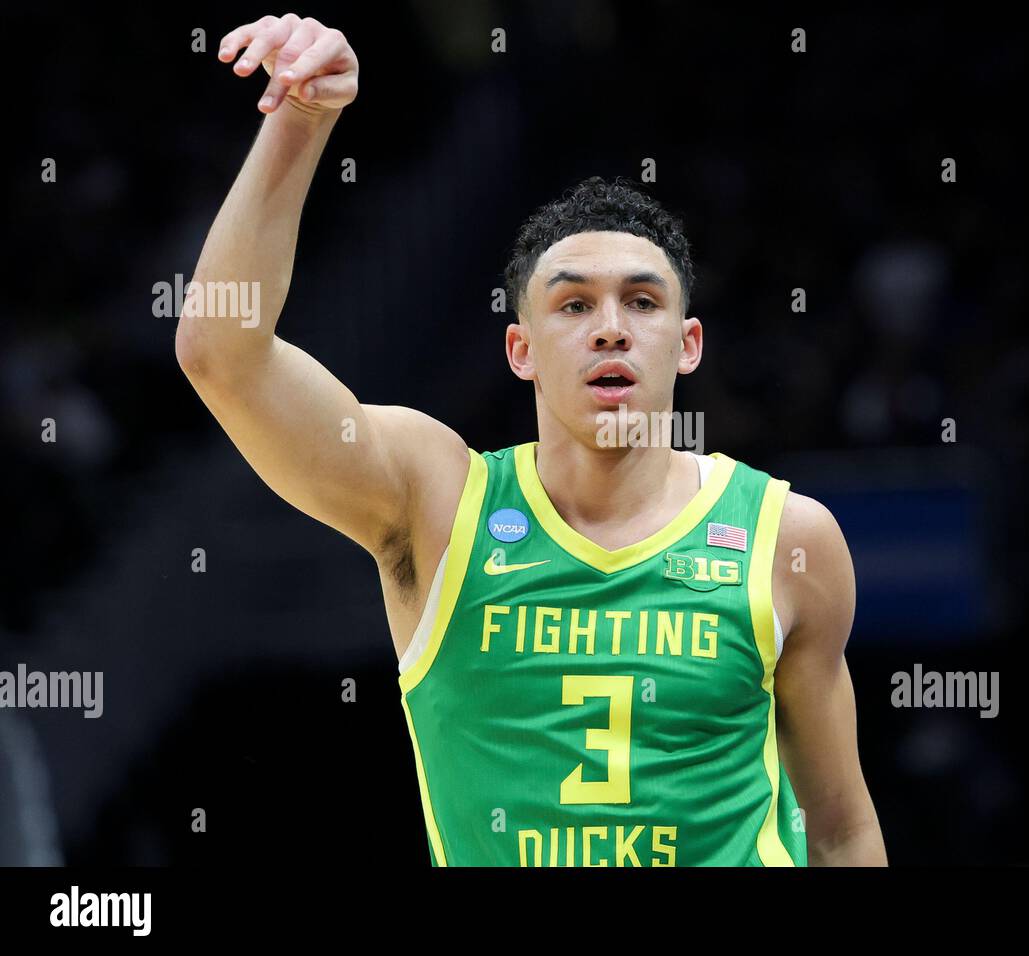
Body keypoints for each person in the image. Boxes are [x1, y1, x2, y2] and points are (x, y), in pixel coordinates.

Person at [175, 12, 886, 866]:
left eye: (644, 302)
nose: (611, 330)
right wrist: (300, 120)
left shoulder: (789, 539)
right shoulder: (437, 503)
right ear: (522, 350)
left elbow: (841, 828)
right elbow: (220, 351)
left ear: (687, 344)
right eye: (574, 304)